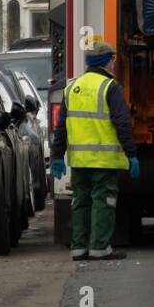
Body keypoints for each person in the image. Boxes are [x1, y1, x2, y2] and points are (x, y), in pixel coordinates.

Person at [50, 39, 140, 260]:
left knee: (80, 201)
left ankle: (79, 247)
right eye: (113, 60)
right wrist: (131, 154)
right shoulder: (111, 88)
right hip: (104, 161)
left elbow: (61, 127)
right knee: (103, 201)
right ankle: (100, 247)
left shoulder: (72, 88)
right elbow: (122, 123)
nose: (113, 64)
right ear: (108, 61)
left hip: (79, 161)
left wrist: (57, 156)